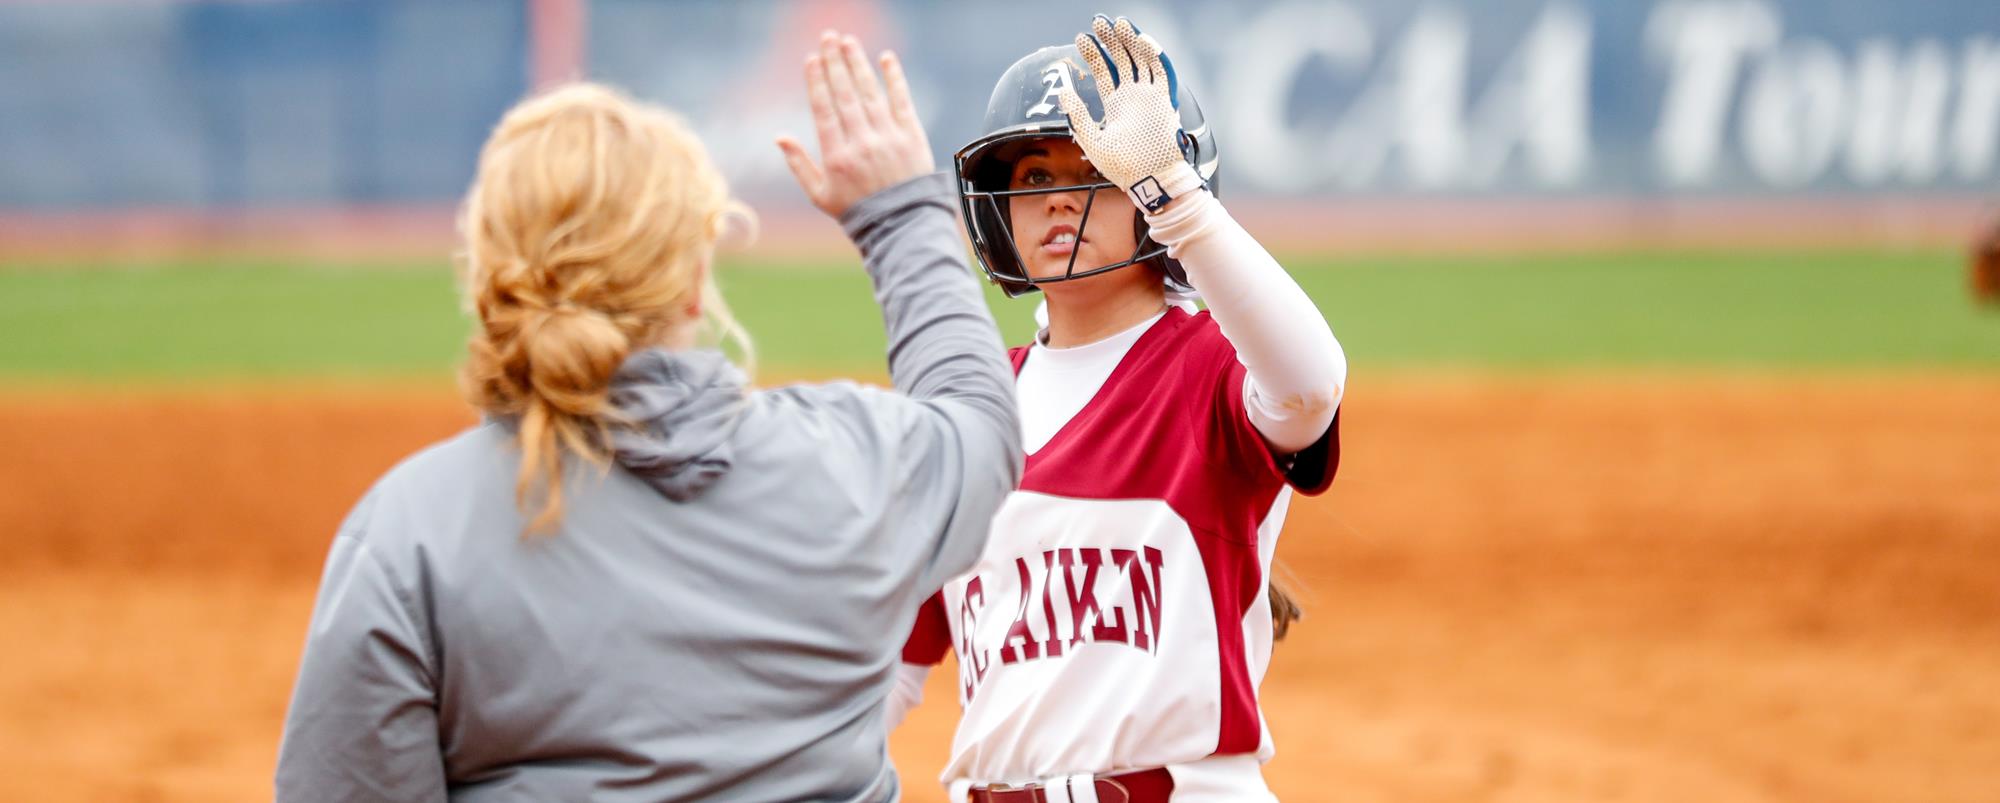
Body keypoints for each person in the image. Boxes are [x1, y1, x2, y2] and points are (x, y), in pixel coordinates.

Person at [275, 31, 1021, 802]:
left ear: (491, 275)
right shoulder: (857, 463)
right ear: (696, 279)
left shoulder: (410, 532)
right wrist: (898, 215)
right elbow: (981, 420)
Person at [886, 16, 1346, 802]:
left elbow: (1310, 386)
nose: (1060, 199)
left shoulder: (1210, 365)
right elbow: (885, 668)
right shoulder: (970, 404)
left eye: (1096, 168)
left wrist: (1175, 197)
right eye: (1033, 177)